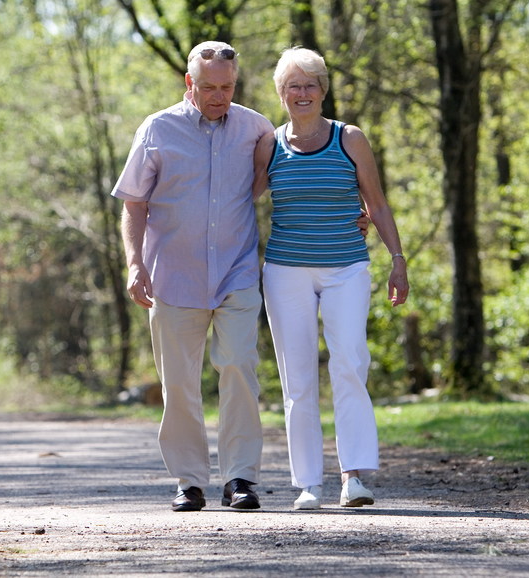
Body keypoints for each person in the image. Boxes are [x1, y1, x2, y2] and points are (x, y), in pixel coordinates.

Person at [111, 41, 273, 511]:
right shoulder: (157, 129)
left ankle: (240, 478)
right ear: (189, 83)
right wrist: (135, 263)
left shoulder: (255, 127)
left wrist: (355, 213)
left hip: (236, 272)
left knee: (240, 368)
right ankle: (189, 481)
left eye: (227, 86)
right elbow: (134, 203)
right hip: (173, 277)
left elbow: (289, 176)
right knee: (179, 382)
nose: (219, 96)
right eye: (209, 87)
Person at [253, 47, 410, 510]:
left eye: (310, 84)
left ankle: (354, 476)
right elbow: (240, 199)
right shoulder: (269, 144)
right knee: (297, 378)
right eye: (293, 86)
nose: (302, 93)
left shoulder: (350, 139)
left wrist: (397, 259)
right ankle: (307, 484)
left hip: (346, 267)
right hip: (285, 272)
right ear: (281, 94)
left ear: (323, 90)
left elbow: (377, 204)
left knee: (350, 363)